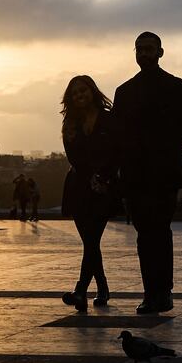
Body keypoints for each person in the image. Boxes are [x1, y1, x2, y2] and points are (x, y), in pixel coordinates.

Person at [114, 32, 182, 315]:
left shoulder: (175, 87)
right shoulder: (125, 92)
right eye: (140, 49)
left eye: (148, 49)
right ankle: (156, 291)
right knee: (147, 233)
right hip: (144, 173)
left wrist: (162, 146)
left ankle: (159, 292)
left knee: (156, 232)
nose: (144, 54)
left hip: (159, 172)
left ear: (160, 52)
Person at [60, 74, 119, 313]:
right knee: (91, 242)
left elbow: (116, 151)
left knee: (92, 241)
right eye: (75, 93)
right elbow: (73, 156)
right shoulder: (70, 124)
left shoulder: (109, 119)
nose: (79, 96)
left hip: (102, 185)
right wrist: (93, 174)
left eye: (82, 90)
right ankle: (101, 288)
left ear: (92, 91)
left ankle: (81, 291)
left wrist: (102, 175)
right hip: (80, 187)